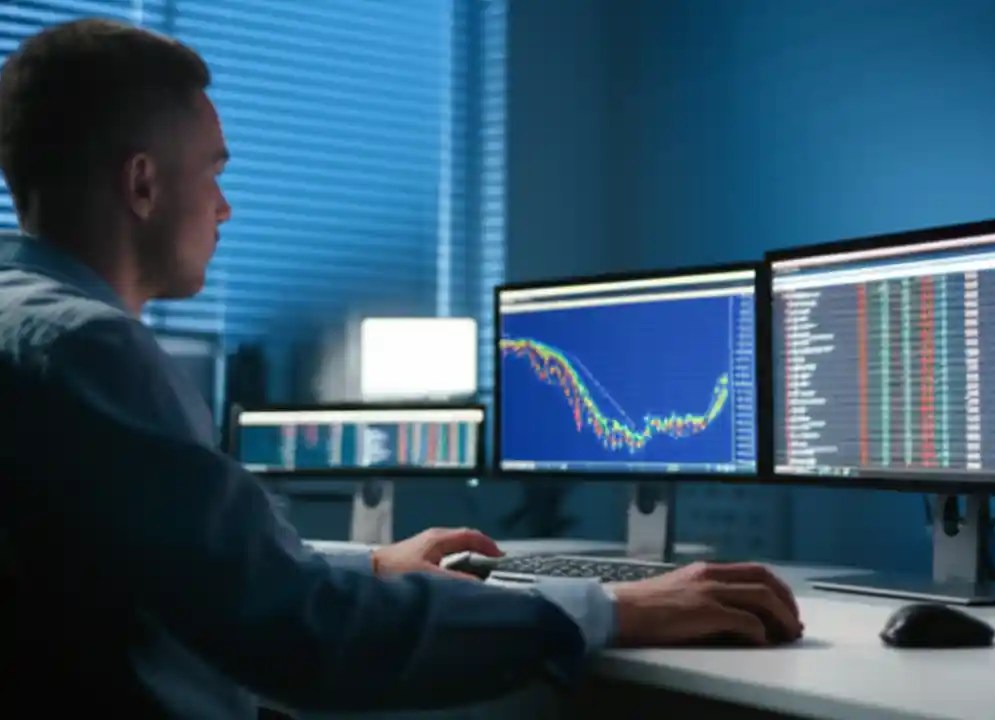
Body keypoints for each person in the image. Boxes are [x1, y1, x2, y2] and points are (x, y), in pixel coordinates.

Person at [0, 17, 803, 718]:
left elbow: (196, 569)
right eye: (214, 171)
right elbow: (303, 634)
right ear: (143, 184)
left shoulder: (27, 329)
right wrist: (610, 608)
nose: (224, 206)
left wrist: (373, 563)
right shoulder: (89, 353)